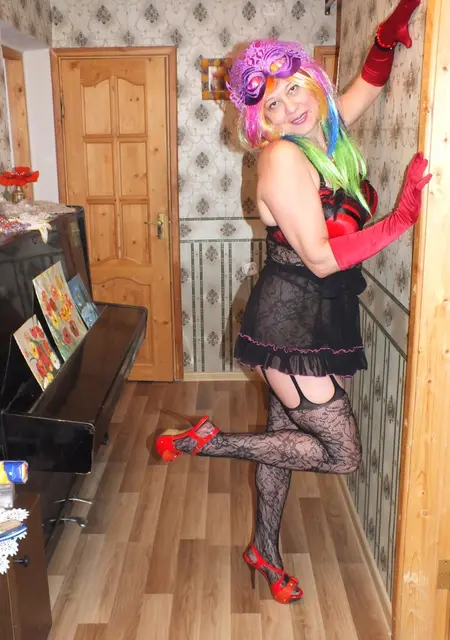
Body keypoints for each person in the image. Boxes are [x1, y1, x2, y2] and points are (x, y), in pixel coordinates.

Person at [154, 0, 430, 605]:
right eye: (272, 105)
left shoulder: (319, 133)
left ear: (311, 83)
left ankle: (265, 551)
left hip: (321, 313)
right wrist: (402, 218)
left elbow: (366, 89)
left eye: (293, 90)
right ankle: (206, 441)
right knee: (342, 452)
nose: (289, 108)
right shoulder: (281, 157)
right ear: (262, 121)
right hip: (291, 323)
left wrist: (386, 40)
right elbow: (323, 258)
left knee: (284, 442)